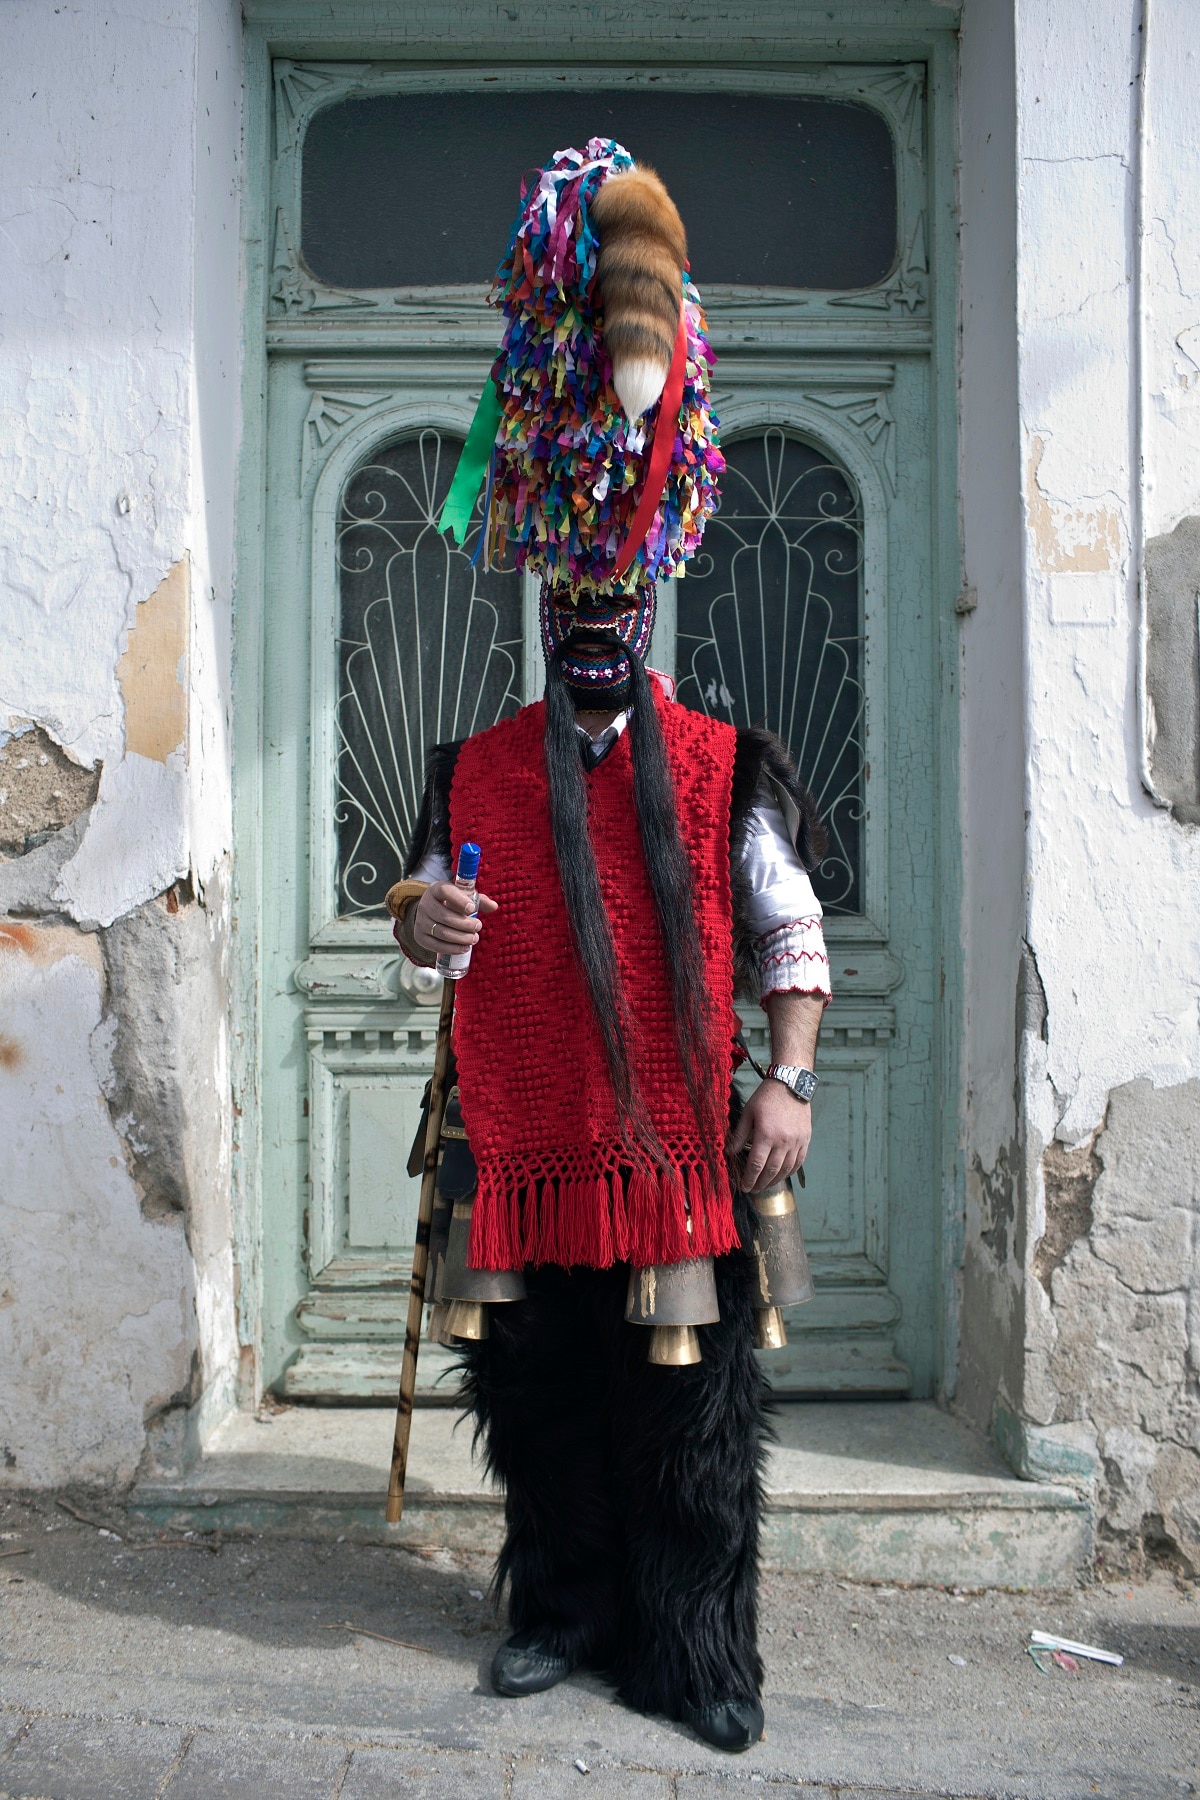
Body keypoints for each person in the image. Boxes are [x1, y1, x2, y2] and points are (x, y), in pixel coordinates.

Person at [387, 142, 832, 1754]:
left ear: (646, 595)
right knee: (540, 1405)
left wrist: (785, 1082)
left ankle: (702, 1655)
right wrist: (420, 922)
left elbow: (787, 925)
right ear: (544, 591)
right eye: (568, 589)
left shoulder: (719, 766)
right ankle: (560, 1610)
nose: (591, 616)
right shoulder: (481, 769)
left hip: (673, 1154)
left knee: (695, 1417)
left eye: (613, 591)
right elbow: (436, 939)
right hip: (519, 1146)